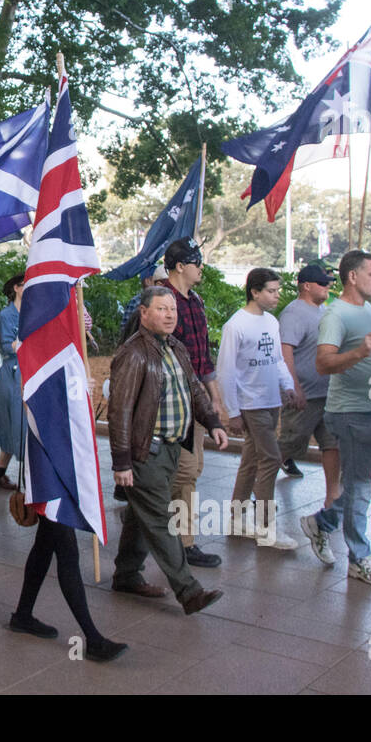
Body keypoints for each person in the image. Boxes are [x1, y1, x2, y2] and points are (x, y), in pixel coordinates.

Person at [109, 285, 229, 615]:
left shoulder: (175, 348)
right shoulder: (134, 354)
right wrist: (121, 462)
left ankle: (126, 574)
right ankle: (189, 592)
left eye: (172, 309)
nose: (169, 314)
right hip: (146, 453)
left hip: (172, 450)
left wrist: (214, 422)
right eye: (161, 309)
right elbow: (119, 411)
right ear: (143, 313)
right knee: (162, 520)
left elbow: (194, 390)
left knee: (141, 515)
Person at [299, 250, 371, 586]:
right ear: (352, 276)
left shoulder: (368, 308)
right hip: (349, 412)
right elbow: (323, 363)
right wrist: (360, 351)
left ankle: (322, 523)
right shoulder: (335, 314)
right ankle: (359, 559)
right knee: (359, 485)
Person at [217, 267, 301, 548]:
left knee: (252, 459)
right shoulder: (236, 325)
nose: (277, 296)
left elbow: (276, 359)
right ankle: (266, 527)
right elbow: (226, 371)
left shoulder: (271, 322)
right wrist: (233, 411)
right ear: (254, 291)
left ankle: (237, 517)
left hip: (271, 400)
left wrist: (287, 385)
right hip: (250, 403)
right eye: (271, 291)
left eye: (278, 290)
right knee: (271, 459)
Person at [156, 238, 226, 568]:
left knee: (193, 470)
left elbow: (204, 357)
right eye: (196, 262)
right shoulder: (161, 302)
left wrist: (215, 399)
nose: (201, 267)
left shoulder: (194, 301)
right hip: (171, 403)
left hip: (196, 401)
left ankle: (179, 540)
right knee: (184, 471)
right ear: (180, 266)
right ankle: (163, 528)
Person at [277, 265, 341, 506]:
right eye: (323, 283)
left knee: (332, 444)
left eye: (329, 283)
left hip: (328, 393)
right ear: (306, 286)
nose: (328, 287)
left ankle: (332, 497)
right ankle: (259, 486)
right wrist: (294, 386)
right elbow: (285, 351)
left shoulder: (324, 310)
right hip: (305, 394)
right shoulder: (294, 313)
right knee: (290, 443)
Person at [0, 273, 25, 491]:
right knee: (14, 423)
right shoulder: (6, 315)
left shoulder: (35, 312)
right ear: (16, 288)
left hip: (28, 369)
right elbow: (6, 346)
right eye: (26, 284)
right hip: (13, 372)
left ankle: (0, 473)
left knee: (20, 424)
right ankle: (3, 474)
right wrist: (27, 342)